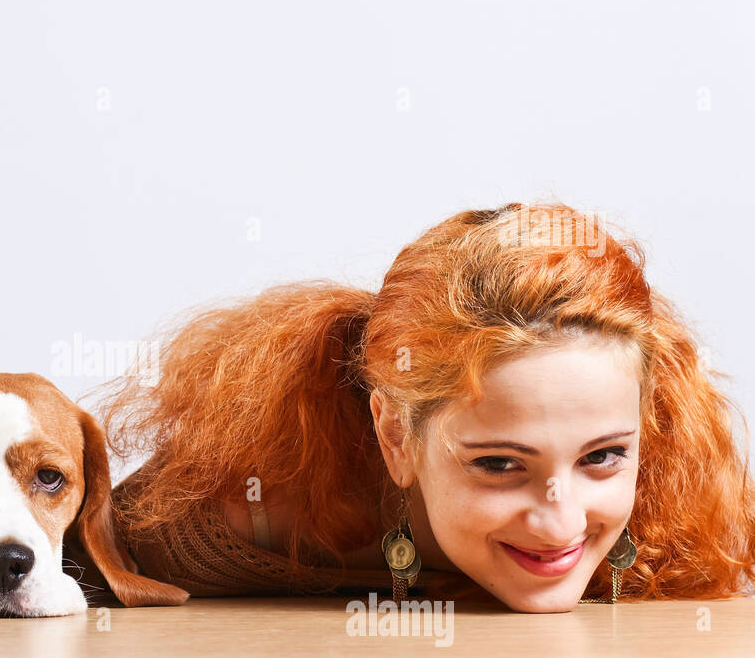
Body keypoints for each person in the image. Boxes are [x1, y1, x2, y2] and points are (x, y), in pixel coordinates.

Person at [91, 203, 755, 612]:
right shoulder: (244, 510)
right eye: (499, 463)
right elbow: (74, 557)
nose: (561, 520)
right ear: (395, 438)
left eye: (604, 456)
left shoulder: (681, 504)